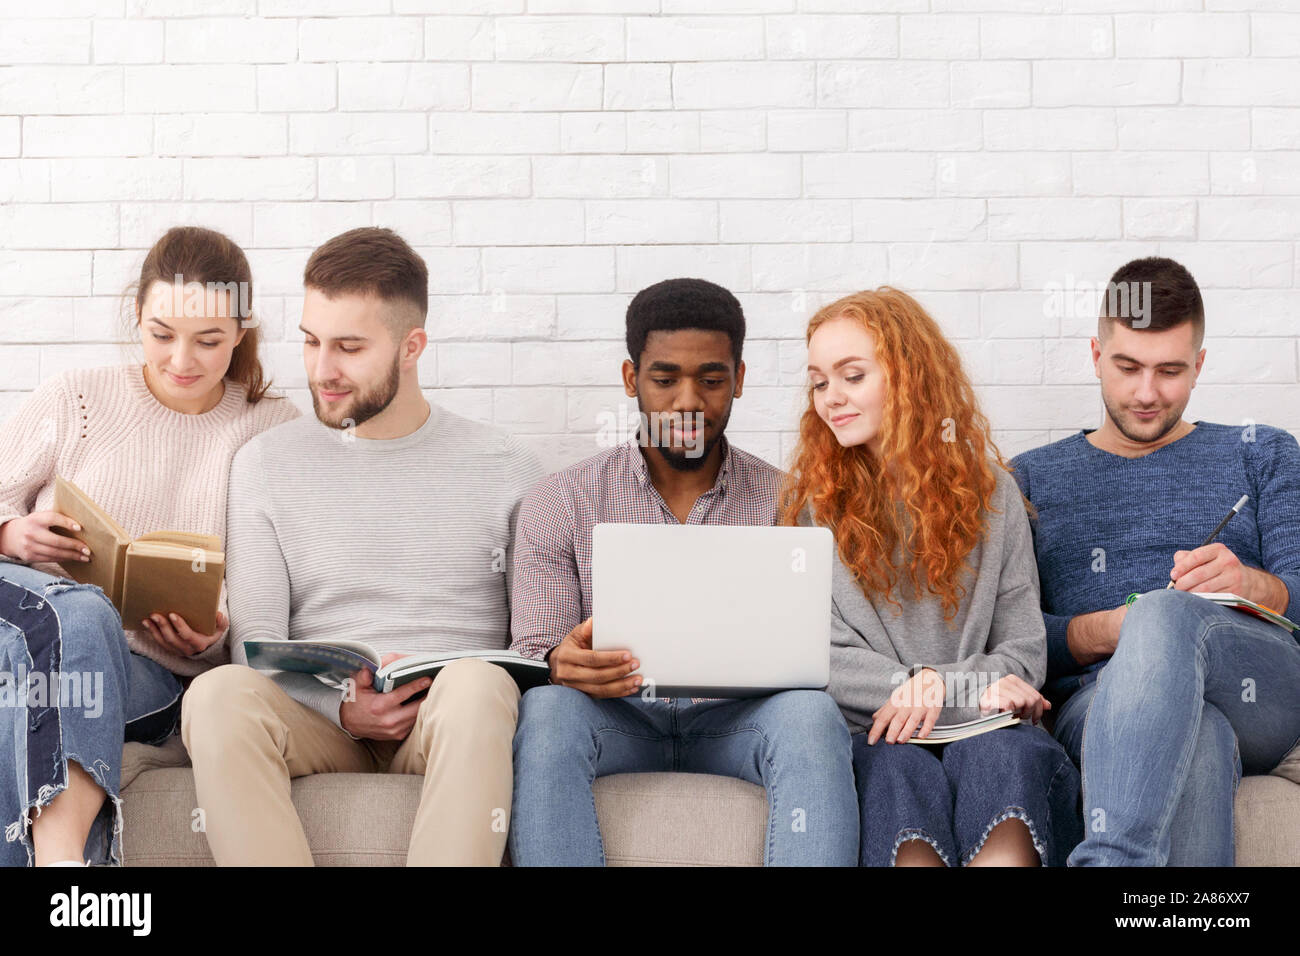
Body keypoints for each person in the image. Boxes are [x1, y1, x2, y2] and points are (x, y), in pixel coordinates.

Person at [180, 227, 544, 866]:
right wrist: (343, 707)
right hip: (321, 722)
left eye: (349, 347)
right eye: (312, 342)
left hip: (448, 718)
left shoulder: (508, 465)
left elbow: (534, 644)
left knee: (478, 687)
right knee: (215, 695)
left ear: (412, 347)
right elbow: (255, 641)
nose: (323, 371)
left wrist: (444, 677)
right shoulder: (265, 463)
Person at [508, 277, 859, 867]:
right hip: (617, 719)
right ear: (631, 379)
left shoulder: (792, 503)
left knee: (812, 713)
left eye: (712, 379)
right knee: (547, 710)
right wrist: (556, 663)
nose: (688, 402)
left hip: (738, 721)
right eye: (665, 379)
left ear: (739, 380)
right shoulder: (560, 501)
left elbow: (825, 646)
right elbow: (533, 654)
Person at [0, 226, 299, 866]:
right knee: (79, 612)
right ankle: (63, 866)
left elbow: (284, 586)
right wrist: (11, 533)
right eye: (162, 334)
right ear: (137, 316)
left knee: (35, 692)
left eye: (209, 340)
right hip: (26, 619)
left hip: (148, 674)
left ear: (242, 332)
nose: (181, 360)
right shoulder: (79, 397)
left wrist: (216, 638)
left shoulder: (270, 430)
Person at [1012, 256, 1300, 866]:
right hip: (1101, 700)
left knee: (1167, 615)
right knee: (1196, 740)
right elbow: (1018, 640)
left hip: (1258, 688)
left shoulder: (1262, 454)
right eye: (1128, 367)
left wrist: (1252, 585)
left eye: (1170, 371)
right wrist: (1116, 628)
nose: (1147, 393)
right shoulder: (1032, 479)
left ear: (1198, 364)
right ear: (1096, 356)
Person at [782, 288, 1081, 867]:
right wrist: (935, 686)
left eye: (852, 376)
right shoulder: (812, 508)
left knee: (1002, 758)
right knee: (897, 770)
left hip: (988, 730)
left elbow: (1022, 657)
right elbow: (819, 660)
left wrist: (942, 689)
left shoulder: (993, 494)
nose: (831, 398)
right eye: (820, 382)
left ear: (909, 378)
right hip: (876, 733)